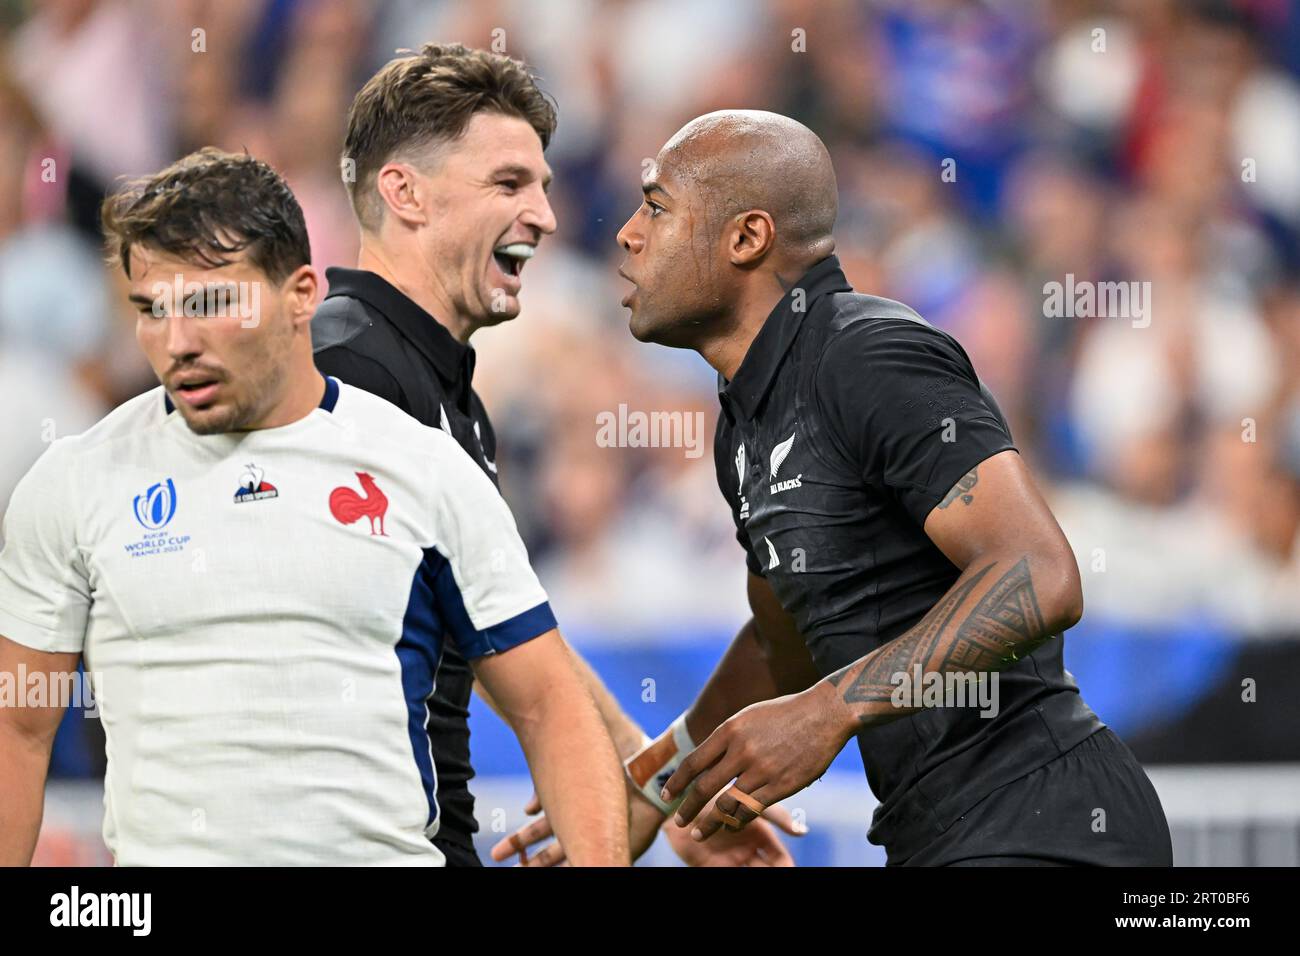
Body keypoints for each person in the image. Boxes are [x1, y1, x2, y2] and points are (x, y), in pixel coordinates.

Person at [0, 148, 629, 866]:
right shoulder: (76, 482)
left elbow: (550, 707)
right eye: (152, 310)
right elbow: (17, 729)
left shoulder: (425, 471)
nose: (176, 344)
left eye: (209, 304)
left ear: (302, 292)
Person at [620, 110, 1172, 866]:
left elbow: (1039, 575)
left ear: (747, 238)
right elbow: (784, 648)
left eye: (655, 206)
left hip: (1051, 825)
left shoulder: (868, 354)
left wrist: (826, 714)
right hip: (938, 837)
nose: (627, 233)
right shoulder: (743, 425)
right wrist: (667, 784)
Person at [312, 42, 798, 867]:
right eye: (508, 183)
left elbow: (506, 624)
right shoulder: (341, 370)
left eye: (541, 184)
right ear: (404, 191)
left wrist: (662, 781)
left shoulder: (446, 394)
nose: (546, 214)